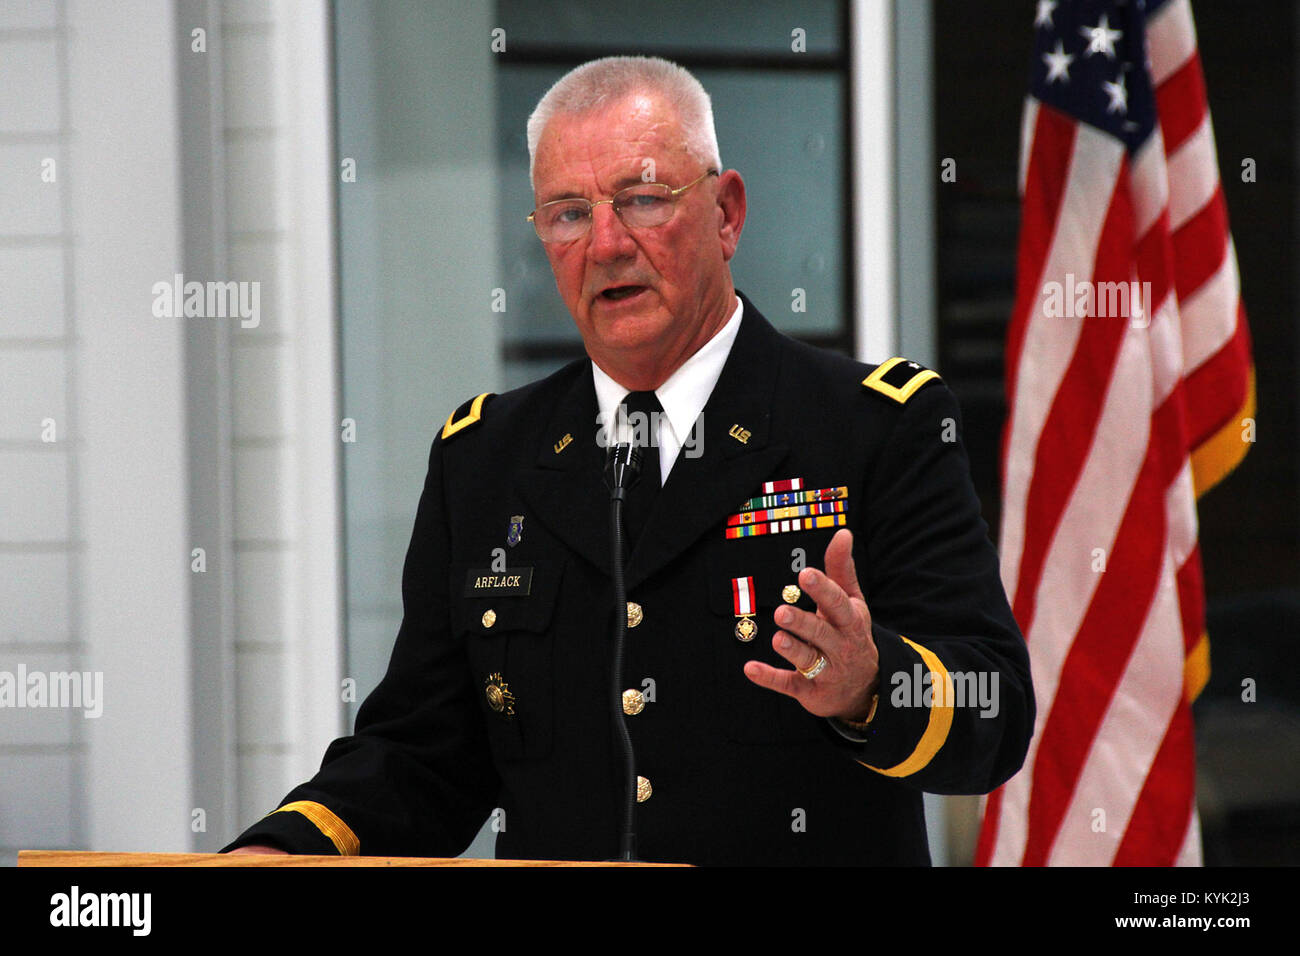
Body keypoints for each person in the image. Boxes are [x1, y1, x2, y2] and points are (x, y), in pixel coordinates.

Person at [225, 55, 1033, 865]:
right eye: (568, 214)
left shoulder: (872, 430)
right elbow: (424, 753)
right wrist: (282, 851)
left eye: (643, 200)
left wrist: (870, 686)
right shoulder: (486, 458)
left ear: (726, 213)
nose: (606, 244)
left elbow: (993, 713)